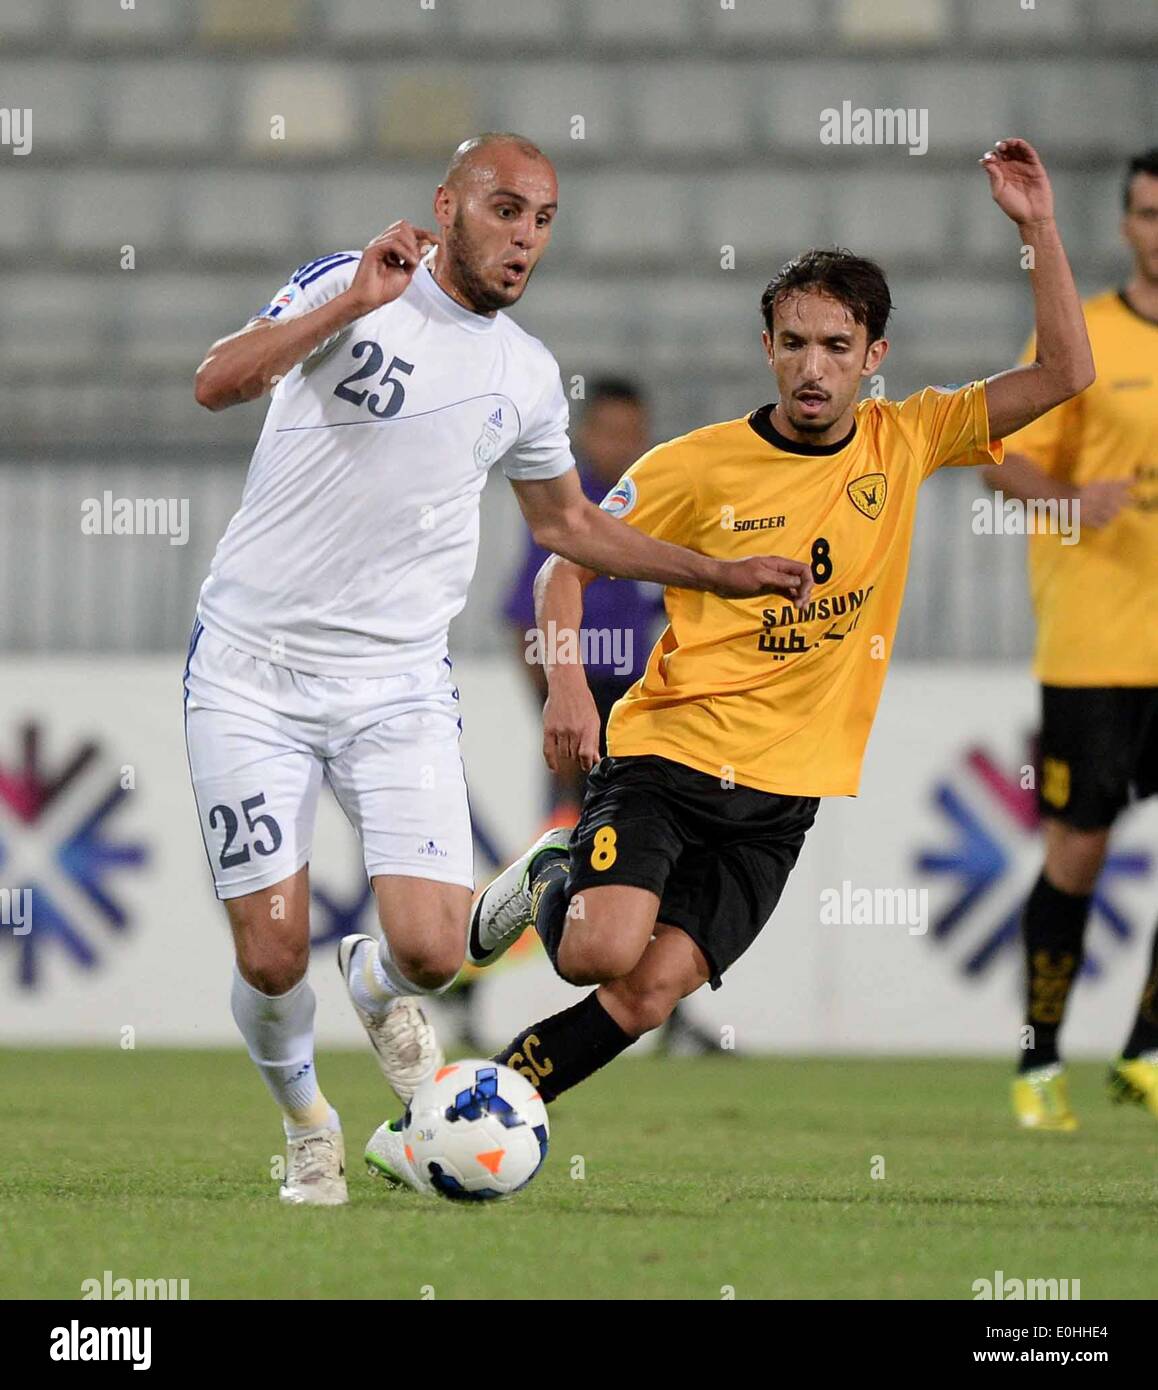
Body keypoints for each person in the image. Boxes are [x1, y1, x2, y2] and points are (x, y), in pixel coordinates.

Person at [362, 139, 1094, 1193]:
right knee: (596, 954)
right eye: (792, 342)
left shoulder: (912, 439)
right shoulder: (695, 466)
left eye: (836, 346)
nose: (812, 367)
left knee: (648, 994)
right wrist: (570, 683)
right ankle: (556, 876)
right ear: (765, 346)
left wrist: (1039, 231)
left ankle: (444, 1121)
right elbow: (562, 567)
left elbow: (1068, 374)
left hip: (786, 791)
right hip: (669, 752)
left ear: (873, 354)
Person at [185, 132, 809, 1205]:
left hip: (397, 685)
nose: (525, 237)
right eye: (506, 209)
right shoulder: (349, 284)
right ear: (447, 206)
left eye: (544, 219)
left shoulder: (524, 376)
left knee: (432, 955)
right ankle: (307, 1125)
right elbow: (214, 383)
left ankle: (374, 977)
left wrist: (719, 571)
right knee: (273, 953)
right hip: (252, 669)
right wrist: (349, 308)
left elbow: (569, 523)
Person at [982, 148, 1158, 1130]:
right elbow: (997, 461)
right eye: (1146, 212)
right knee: (1078, 853)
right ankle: (1038, 1062)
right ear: (1126, 223)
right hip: (1096, 647)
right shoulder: (1085, 336)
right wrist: (1069, 499)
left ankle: (1146, 1049)